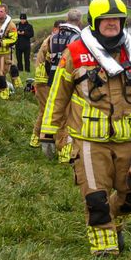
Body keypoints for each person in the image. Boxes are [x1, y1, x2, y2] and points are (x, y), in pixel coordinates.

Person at [40, 0, 131, 256]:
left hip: (130, 140)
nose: (112, 24)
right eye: (106, 20)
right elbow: (58, 96)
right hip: (90, 142)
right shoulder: (76, 53)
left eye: (116, 19)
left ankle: (113, 223)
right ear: (94, 22)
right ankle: (105, 251)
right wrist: (48, 134)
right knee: (95, 198)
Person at [30, 9, 83, 154]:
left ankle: (40, 140)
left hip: (52, 77)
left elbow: (47, 57)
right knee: (66, 115)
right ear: (79, 21)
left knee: (50, 111)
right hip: (68, 79)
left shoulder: (53, 37)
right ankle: (64, 149)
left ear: (67, 18)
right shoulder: (78, 38)